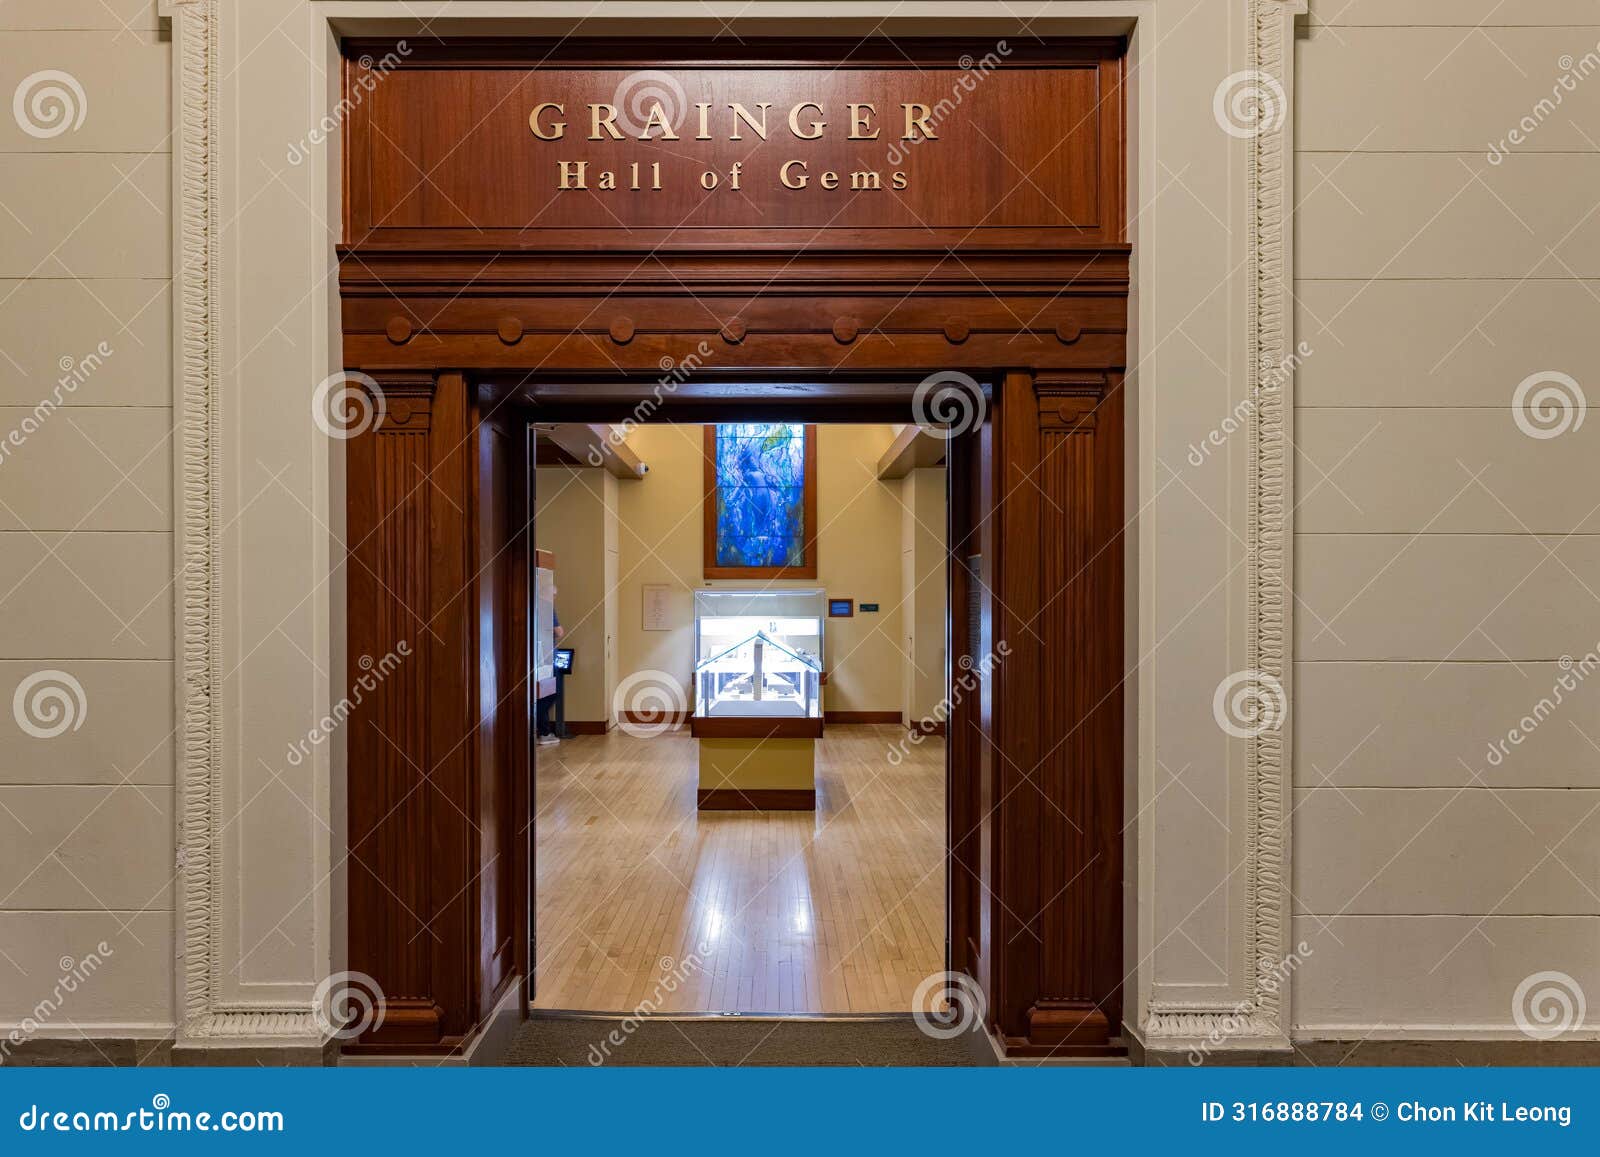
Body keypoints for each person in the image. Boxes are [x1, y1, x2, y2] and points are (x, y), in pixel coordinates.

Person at [536, 595, 564, 746]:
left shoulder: (531, 604)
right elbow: (559, 632)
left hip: (536, 657)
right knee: (551, 692)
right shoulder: (546, 606)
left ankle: (543, 730)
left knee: (541, 693)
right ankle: (544, 731)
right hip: (546, 658)